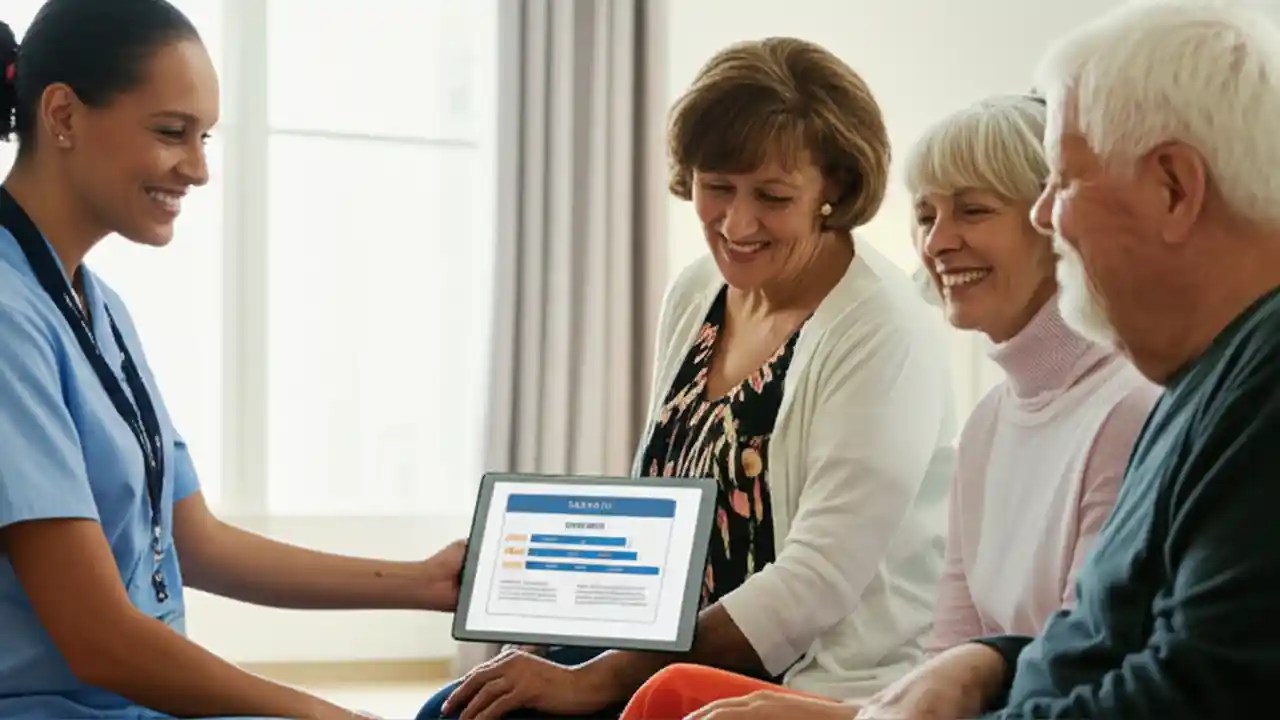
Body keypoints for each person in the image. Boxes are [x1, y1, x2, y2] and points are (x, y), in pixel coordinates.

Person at [419, 37, 955, 720]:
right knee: (456, 706)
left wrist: (598, 679)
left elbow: (815, 582)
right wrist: (555, 602)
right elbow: (663, 501)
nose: (736, 222)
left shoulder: (883, 329)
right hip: (664, 645)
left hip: (796, 679)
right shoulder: (700, 289)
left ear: (836, 191)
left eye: (773, 196)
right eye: (716, 188)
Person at [619, 93, 1162, 720]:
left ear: (1056, 220)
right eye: (926, 215)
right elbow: (944, 665)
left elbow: (1080, 678)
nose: (938, 242)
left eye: (974, 211)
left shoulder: (1126, 412)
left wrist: (831, 716)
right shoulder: (990, 423)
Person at [0, 2, 464, 718]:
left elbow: (197, 541)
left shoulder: (98, 307)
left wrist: (424, 583)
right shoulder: (8, 314)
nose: (198, 169)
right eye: (170, 133)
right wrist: (323, 713)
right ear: (61, 114)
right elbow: (99, 640)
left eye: (206, 136)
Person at [847, 1, 1280, 718]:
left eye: (1064, 182)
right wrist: (989, 662)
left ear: (1175, 188)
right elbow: (1121, 639)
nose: (1047, 216)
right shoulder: (1207, 379)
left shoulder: (1259, 390)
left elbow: (1195, 694)